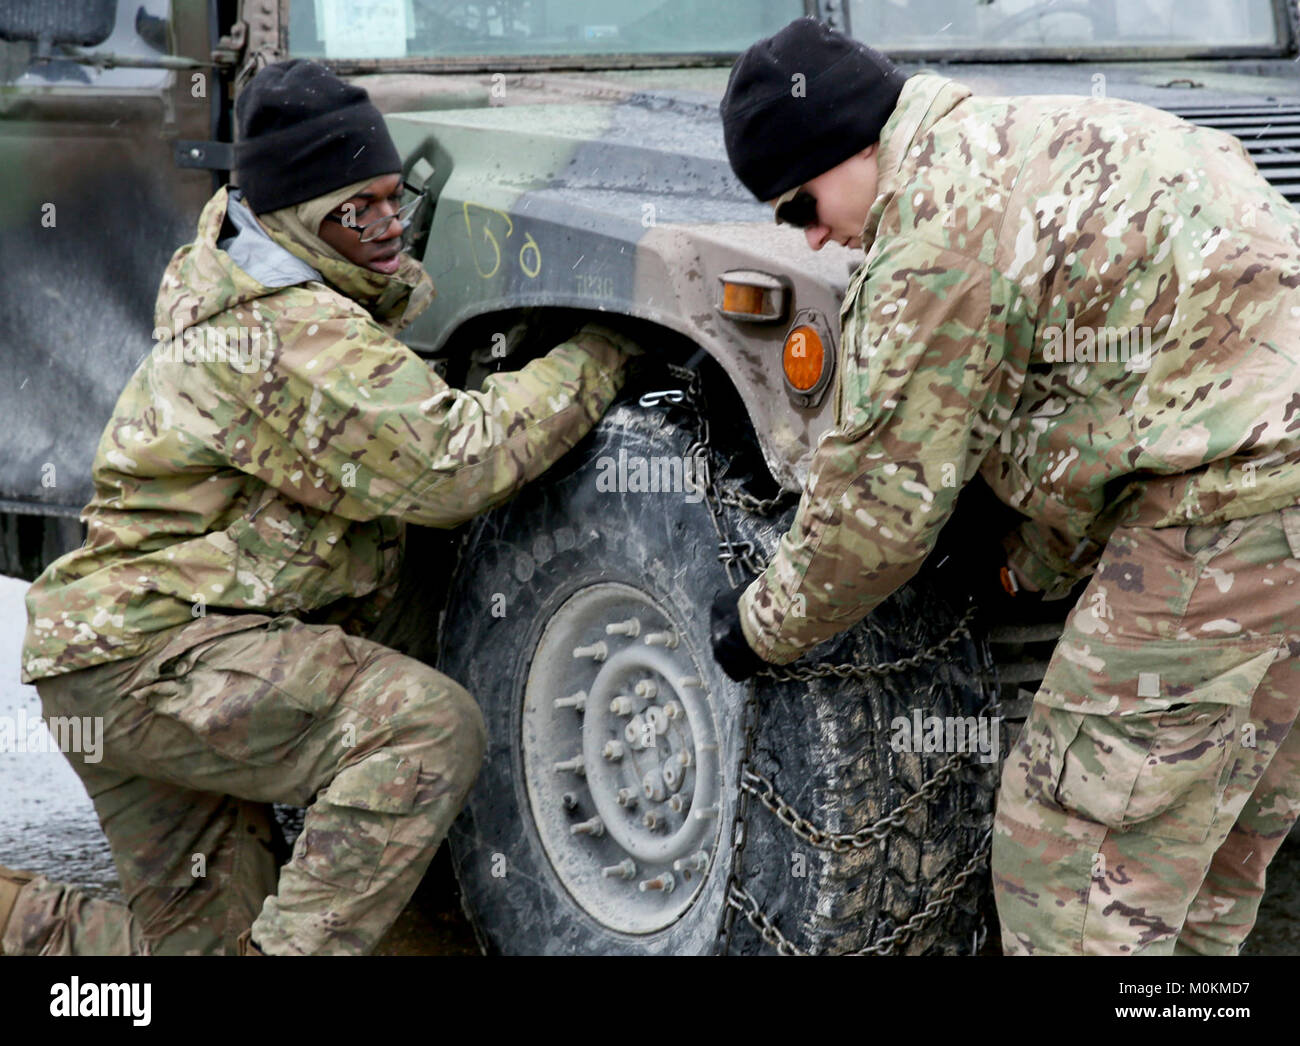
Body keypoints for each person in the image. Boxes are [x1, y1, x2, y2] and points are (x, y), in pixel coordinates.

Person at [0, 59, 638, 956]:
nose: (387, 225)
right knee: (425, 727)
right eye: (357, 208)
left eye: (391, 197)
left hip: (119, 660)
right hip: (154, 662)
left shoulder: (271, 288)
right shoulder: (285, 331)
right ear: (298, 217)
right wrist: (604, 351)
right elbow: (460, 464)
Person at [713, 17, 1300, 955]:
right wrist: (1031, 563)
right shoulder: (1038, 140)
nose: (816, 240)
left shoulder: (936, 236)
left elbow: (877, 512)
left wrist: (757, 627)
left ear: (855, 144)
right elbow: (1106, 412)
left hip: (1232, 509)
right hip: (1265, 497)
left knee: (1065, 867)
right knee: (1195, 866)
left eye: (800, 206)